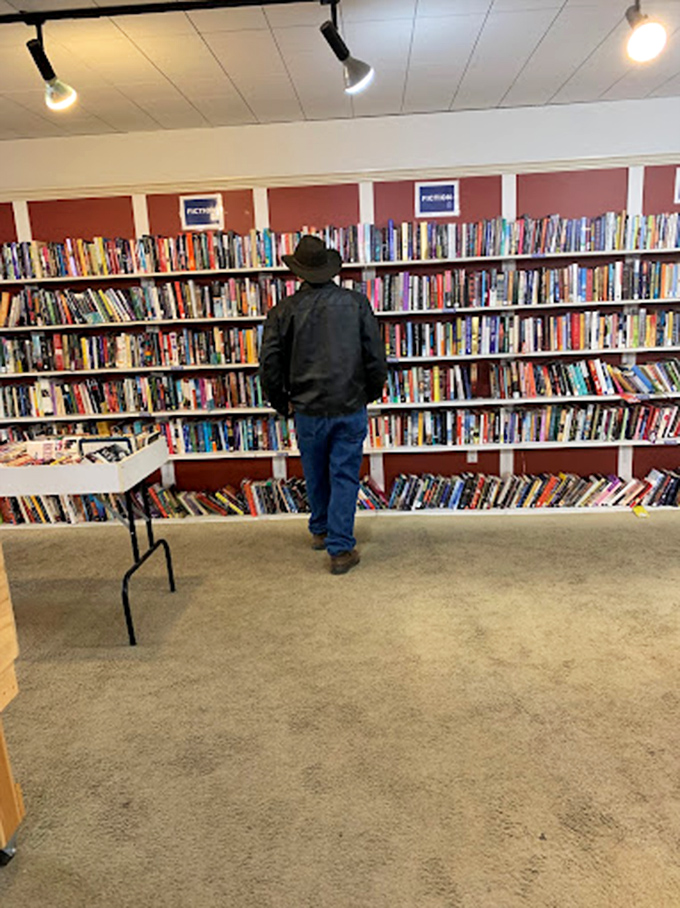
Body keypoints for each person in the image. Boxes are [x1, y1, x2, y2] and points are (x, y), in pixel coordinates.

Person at [259, 234, 387, 574]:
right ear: (329, 269)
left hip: (306, 408)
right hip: (349, 404)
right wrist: (369, 393)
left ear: (298, 272)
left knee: (315, 471)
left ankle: (320, 530)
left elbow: (269, 363)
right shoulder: (357, 303)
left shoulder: (282, 311)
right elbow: (375, 356)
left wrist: (280, 402)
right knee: (344, 475)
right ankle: (340, 549)